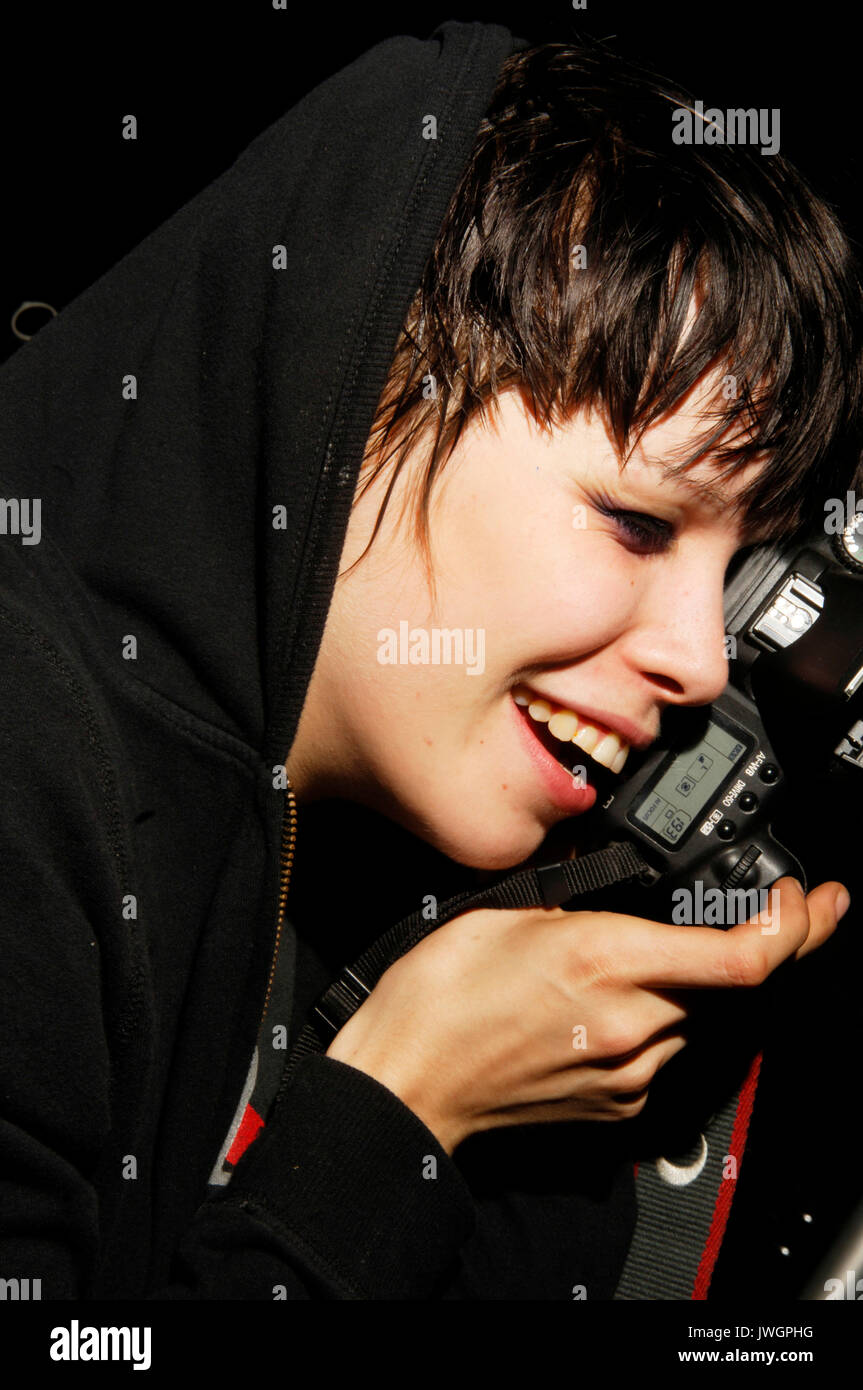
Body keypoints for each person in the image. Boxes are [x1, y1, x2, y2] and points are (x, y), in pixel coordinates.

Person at [0, 20, 858, 1302]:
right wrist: (399, 1107)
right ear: (362, 374)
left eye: (731, 571)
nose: (696, 658)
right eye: (634, 521)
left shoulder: (354, 841)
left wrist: (549, 1081)